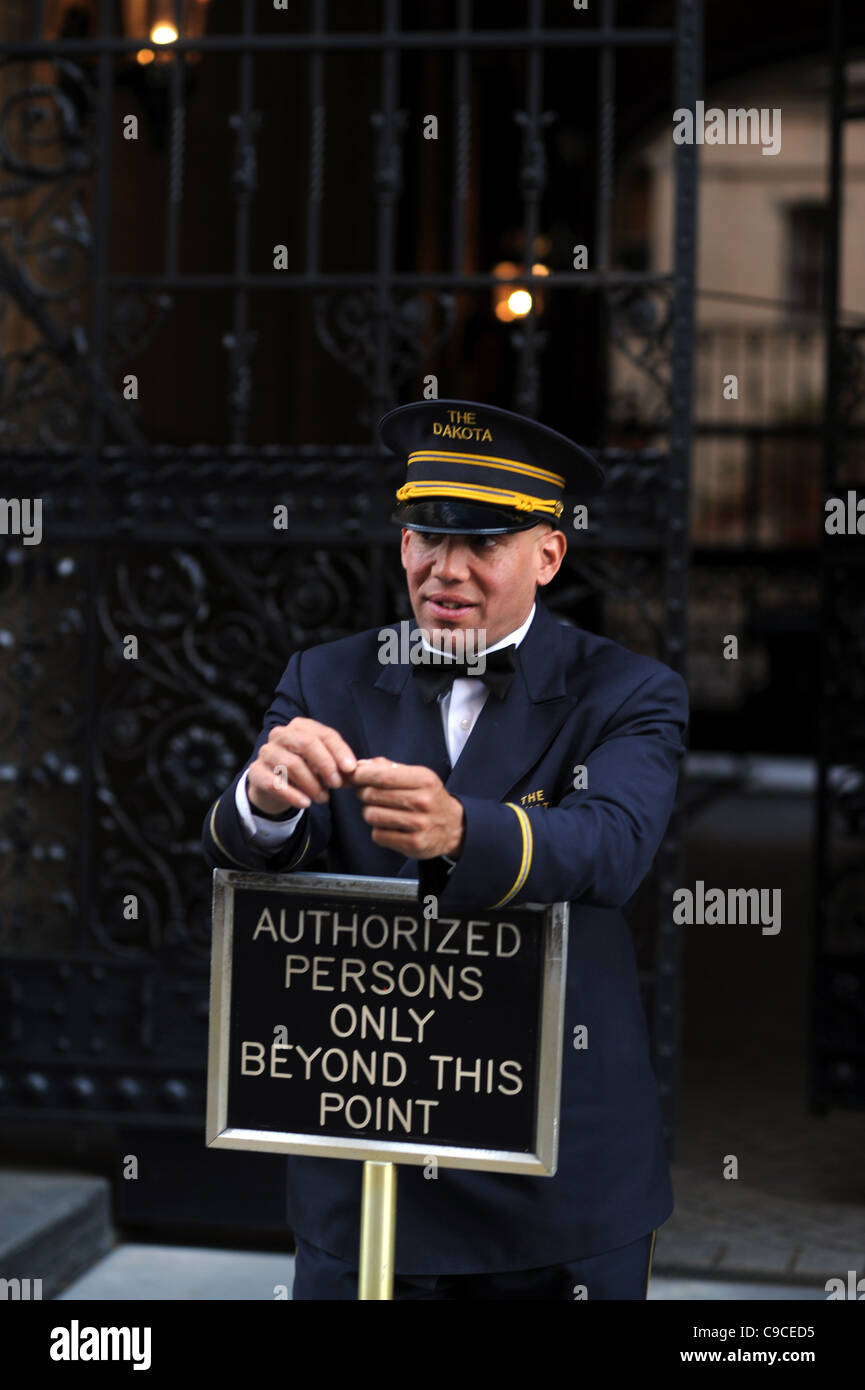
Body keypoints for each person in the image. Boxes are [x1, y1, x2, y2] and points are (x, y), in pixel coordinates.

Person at [202, 398, 688, 1300]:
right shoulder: (325, 674)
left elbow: (613, 846)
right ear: (400, 542)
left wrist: (466, 830)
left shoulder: (628, 690)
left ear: (547, 552)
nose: (445, 569)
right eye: (427, 535)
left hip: (554, 1170)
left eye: (483, 543)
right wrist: (263, 802)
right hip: (368, 1148)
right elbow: (249, 858)